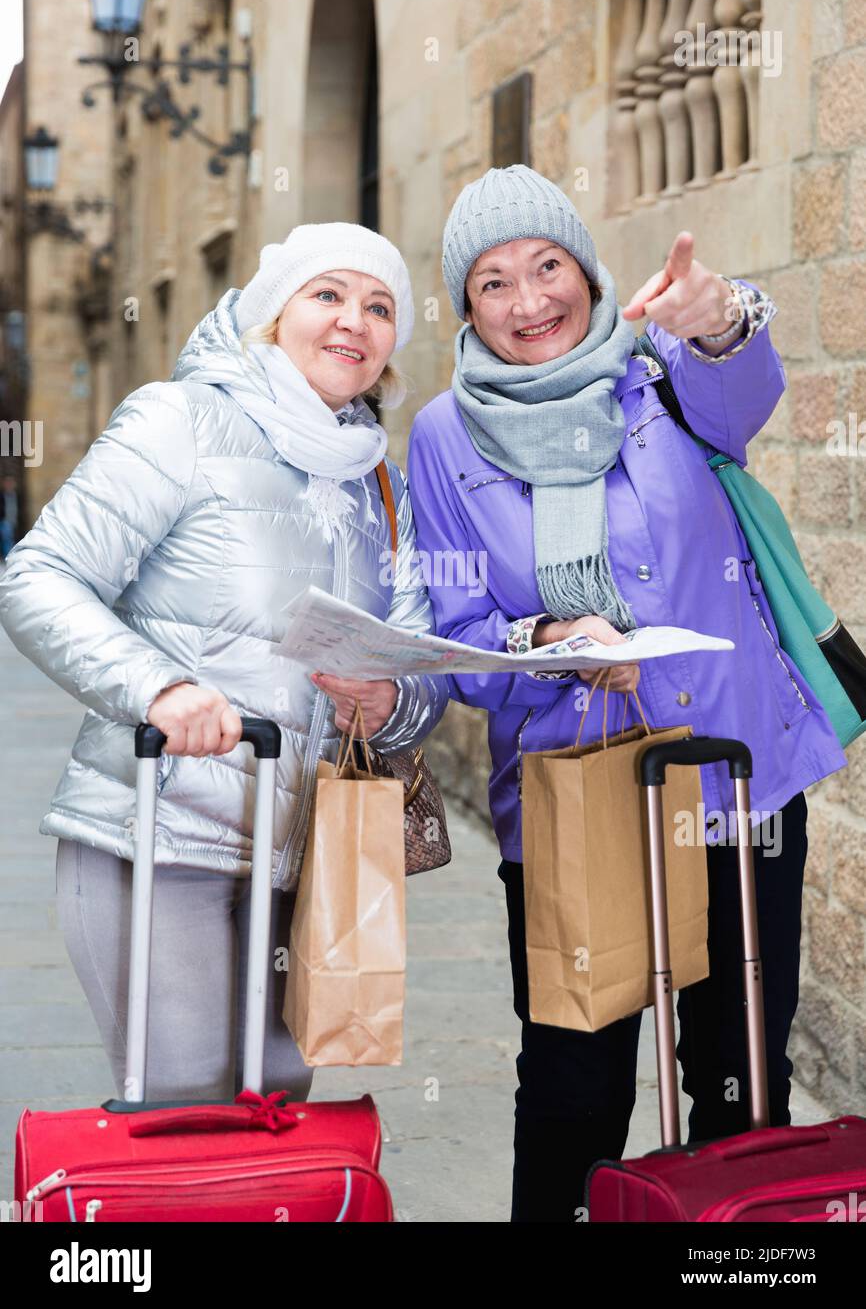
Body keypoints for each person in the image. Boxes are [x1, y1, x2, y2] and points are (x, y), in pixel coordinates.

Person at [406, 164, 847, 1222]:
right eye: (492, 283)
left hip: (731, 779)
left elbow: (743, 392)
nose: (528, 302)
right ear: (464, 307)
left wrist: (723, 319)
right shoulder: (440, 436)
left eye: (547, 265)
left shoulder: (655, 371)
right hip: (572, 798)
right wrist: (548, 637)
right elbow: (450, 638)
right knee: (573, 1087)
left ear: (587, 271)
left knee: (739, 1079)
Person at [0, 222, 448, 1103]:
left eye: (380, 306)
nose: (353, 320)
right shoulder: (182, 419)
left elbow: (422, 665)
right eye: (327, 295)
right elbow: (38, 577)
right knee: (185, 1108)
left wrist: (388, 702)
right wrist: (158, 687)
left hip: (309, 859)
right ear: (272, 312)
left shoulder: (377, 480)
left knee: (280, 1114)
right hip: (162, 836)